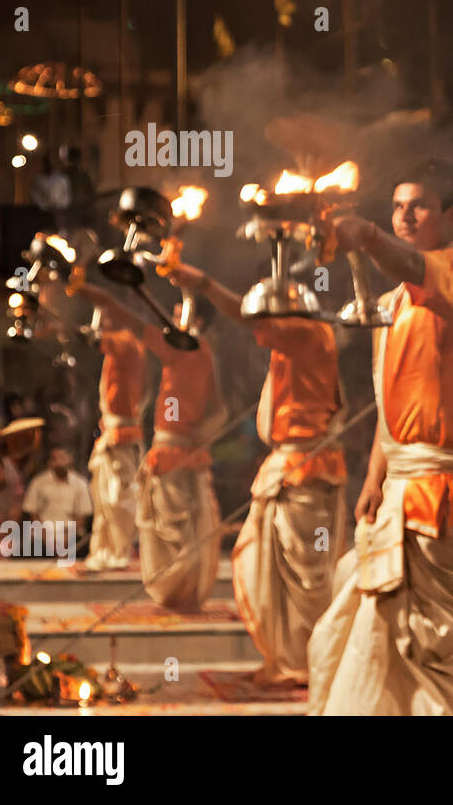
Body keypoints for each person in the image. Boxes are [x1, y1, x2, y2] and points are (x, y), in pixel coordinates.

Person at [308, 161, 453, 715]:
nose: (404, 215)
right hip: (401, 488)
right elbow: (389, 400)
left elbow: (410, 263)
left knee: (436, 648)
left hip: (444, 497)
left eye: (418, 205)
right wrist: (375, 479)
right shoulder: (396, 303)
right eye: (396, 205)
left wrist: (367, 235)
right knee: (369, 639)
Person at [168, 258, 348, 687]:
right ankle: (285, 659)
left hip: (306, 469)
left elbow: (244, 313)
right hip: (287, 465)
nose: (261, 326)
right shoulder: (295, 340)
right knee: (260, 563)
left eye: (271, 310)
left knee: (305, 575)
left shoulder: (307, 333)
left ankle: (304, 664)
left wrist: (204, 281)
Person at [77, 280, 225, 611]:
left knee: (171, 530)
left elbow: (139, 325)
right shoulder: (200, 352)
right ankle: (182, 594)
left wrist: (103, 296)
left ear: (194, 319)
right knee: (179, 530)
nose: (170, 321)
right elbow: (218, 409)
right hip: (181, 451)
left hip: (174, 453)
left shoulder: (189, 348)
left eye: (176, 314)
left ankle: (179, 593)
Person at [82, 309, 148, 571]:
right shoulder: (118, 347)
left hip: (122, 435)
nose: (104, 323)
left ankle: (121, 551)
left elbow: (98, 339)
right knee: (103, 499)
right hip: (111, 434)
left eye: (106, 316)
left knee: (118, 499)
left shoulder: (126, 341)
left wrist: (90, 332)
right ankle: (105, 550)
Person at [23, 447, 92, 552]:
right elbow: (33, 513)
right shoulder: (39, 482)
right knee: (25, 548)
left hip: (71, 536)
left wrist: (66, 538)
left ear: (70, 459)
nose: (59, 462)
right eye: (55, 458)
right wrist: (46, 537)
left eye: (63, 457)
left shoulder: (80, 483)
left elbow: (82, 517)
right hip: (43, 535)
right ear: (49, 462)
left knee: (86, 546)